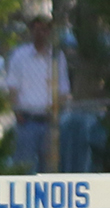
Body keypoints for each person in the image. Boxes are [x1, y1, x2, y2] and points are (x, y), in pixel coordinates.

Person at [5, 17, 68, 173]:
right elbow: (12, 87)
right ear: (31, 31)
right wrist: (17, 112)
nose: (41, 33)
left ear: (49, 32)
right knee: (23, 168)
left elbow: (64, 89)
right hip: (27, 121)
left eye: (45, 29)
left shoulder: (57, 57)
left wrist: (57, 113)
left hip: (49, 122)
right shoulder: (19, 55)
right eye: (37, 29)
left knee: (49, 169)